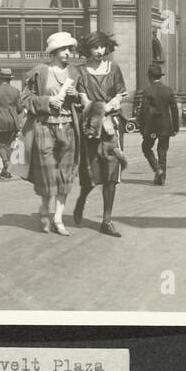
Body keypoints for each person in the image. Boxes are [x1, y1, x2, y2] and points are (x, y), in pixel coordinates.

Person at [18, 33, 82, 235]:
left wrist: (76, 96)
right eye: (64, 49)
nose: (68, 53)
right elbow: (24, 99)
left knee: (65, 174)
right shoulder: (40, 71)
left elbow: (83, 101)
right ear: (53, 51)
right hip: (45, 127)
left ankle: (58, 218)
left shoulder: (75, 73)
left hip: (69, 128)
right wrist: (47, 102)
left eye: (70, 49)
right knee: (47, 173)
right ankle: (45, 210)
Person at [72, 32, 128, 236]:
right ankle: (81, 200)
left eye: (103, 47)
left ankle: (107, 220)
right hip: (91, 127)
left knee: (111, 174)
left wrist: (109, 109)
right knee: (91, 172)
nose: (100, 51)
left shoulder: (114, 69)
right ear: (88, 50)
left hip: (112, 126)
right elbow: (84, 100)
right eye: (96, 47)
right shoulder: (79, 72)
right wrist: (100, 113)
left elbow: (121, 93)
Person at [139, 63, 180, 185]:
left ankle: (157, 169)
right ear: (160, 76)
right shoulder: (168, 90)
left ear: (150, 77)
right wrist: (175, 128)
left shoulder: (147, 91)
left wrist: (142, 128)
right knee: (162, 152)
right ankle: (161, 178)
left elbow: (144, 110)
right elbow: (174, 110)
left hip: (151, 126)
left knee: (146, 148)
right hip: (165, 126)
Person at [0, 68, 21, 179]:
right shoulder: (16, 91)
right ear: (10, 79)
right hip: (12, 121)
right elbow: (20, 108)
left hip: (0, 121)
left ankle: (6, 163)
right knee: (10, 145)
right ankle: (6, 170)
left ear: (1, 78)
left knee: (0, 144)